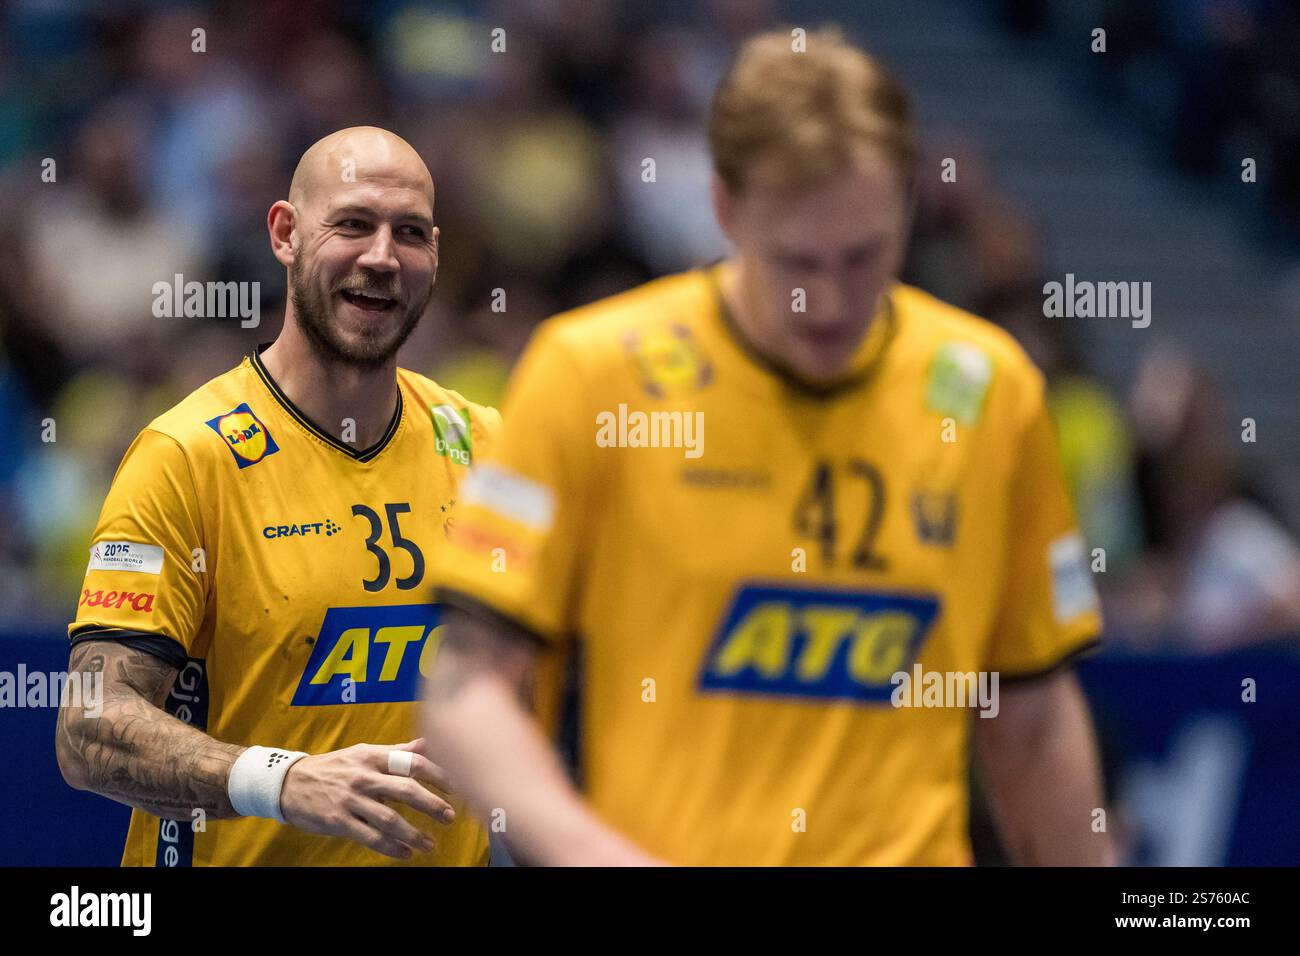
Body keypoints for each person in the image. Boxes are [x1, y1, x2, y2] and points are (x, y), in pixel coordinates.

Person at [422, 29, 1112, 866]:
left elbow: (1032, 719)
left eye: (863, 257)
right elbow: (462, 685)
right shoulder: (593, 375)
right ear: (724, 208)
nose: (828, 301)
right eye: (796, 262)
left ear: (906, 207)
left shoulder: (988, 391)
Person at [56, 126, 497, 866]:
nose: (383, 258)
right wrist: (280, 780)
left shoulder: (484, 446)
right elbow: (90, 728)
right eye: (353, 224)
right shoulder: (186, 457)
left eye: (410, 234)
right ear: (286, 234)